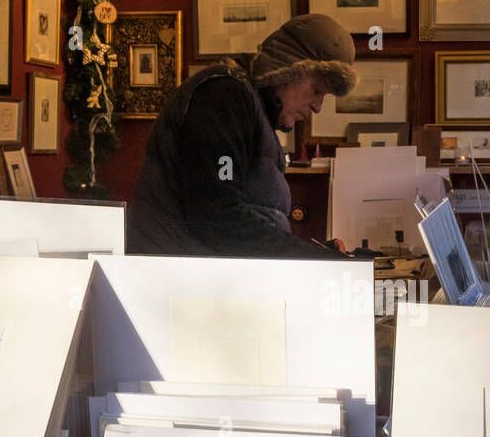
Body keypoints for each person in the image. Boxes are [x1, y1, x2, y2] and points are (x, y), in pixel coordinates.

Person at [127, 14, 359, 259]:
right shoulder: (224, 97)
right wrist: (312, 257)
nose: (318, 107)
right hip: (181, 282)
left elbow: (240, 216)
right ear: (289, 70)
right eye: (316, 91)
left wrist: (313, 251)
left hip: (197, 276)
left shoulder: (248, 105)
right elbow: (217, 215)